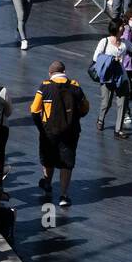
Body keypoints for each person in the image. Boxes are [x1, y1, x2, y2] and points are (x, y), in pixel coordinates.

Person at [30, 59, 90, 209]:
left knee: (48, 158)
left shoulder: (45, 86)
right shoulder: (75, 86)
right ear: (64, 72)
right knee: (67, 163)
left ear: (50, 73)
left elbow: (34, 109)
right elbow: (85, 108)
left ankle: (47, 184)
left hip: (49, 132)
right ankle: (64, 195)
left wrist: (41, 127)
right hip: (71, 132)